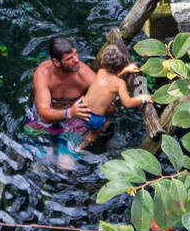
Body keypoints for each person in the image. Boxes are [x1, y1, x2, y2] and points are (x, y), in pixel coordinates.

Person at [25, 37, 94, 165]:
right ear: (56, 62)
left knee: (66, 166)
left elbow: (109, 105)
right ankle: (1, 184)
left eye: (75, 54)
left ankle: (48, 181)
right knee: (20, 155)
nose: (77, 60)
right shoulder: (43, 73)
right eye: (69, 59)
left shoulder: (85, 75)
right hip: (47, 118)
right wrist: (70, 112)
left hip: (74, 121)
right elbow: (43, 114)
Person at [75, 46, 153, 149]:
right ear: (121, 66)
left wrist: (124, 70)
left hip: (82, 108)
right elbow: (127, 103)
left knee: (83, 126)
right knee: (94, 134)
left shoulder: (101, 71)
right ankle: (80, 147)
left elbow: (111, 76)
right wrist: (142, 98)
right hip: (95, 119)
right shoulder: (119, 83)